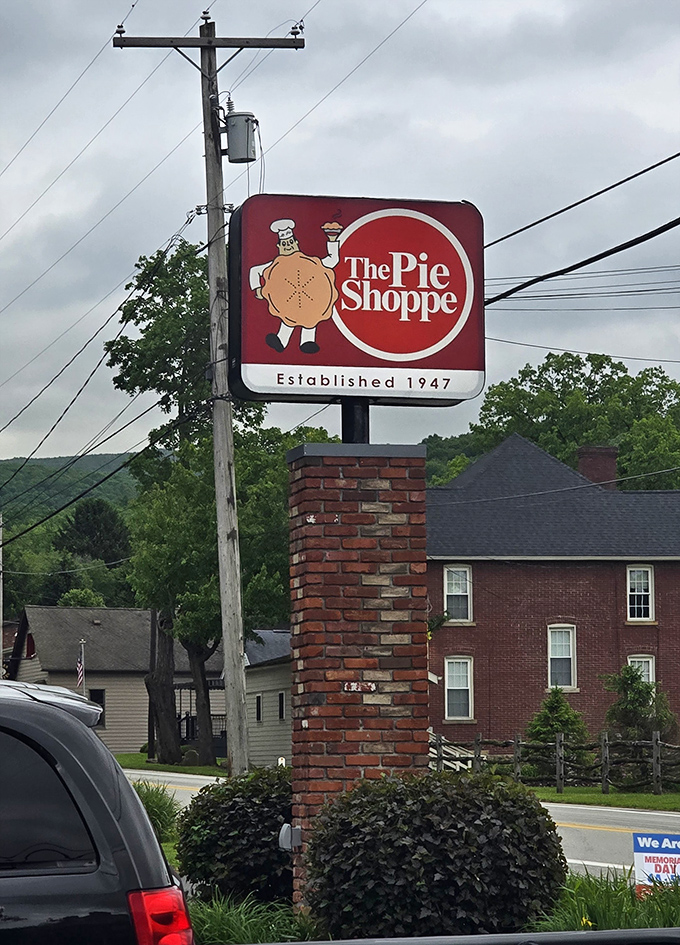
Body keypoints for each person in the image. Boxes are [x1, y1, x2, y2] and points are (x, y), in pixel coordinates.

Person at [249, 218, 343, 353]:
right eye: (285, 243)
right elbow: (254, 270)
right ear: (279, 246)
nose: (288, 246)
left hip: (311, 302)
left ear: (296, 243)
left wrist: (332, 240)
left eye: (290, 242)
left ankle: (307, 342)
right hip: (286, 301)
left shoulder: (310, 263)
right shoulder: (275, 266)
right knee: (288, 318)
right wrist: (257, 289)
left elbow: (333, 260)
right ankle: (281, 341)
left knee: (310, 317)